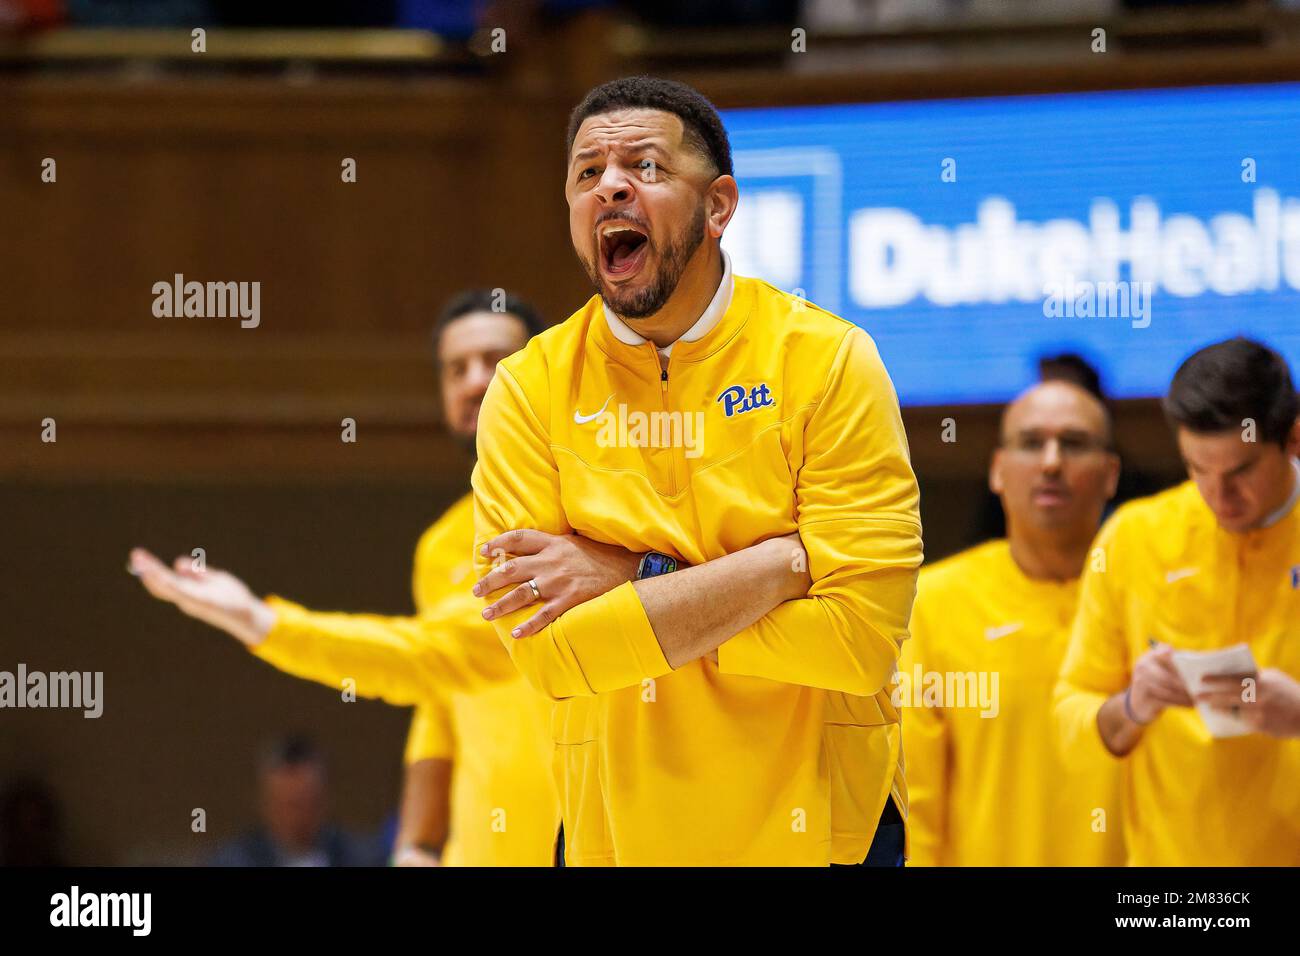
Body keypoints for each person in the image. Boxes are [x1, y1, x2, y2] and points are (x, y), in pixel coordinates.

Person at [469, 76, 923, 866]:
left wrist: (629, 576)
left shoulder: (828, 363)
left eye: (643, 166)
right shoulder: (526, 390)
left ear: (718, 206)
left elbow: (856, 643)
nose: (609, 184)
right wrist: (780, 565)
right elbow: (552, 655)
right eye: (587, 173)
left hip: (824, 838)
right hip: (615, 839)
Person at [130, 290, 560, 866]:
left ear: (540, 375)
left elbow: (442, 654)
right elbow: (440, 697)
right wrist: (417, 844)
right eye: (455, 368)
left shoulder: (581, 514)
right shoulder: (440, 546)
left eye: (494, 361)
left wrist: (264, 622)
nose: (473, 381)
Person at [1056, 336, 1300, 865]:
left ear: (1294, 438)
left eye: (1240, 471)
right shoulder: (1134, 538)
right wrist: (1133, 706)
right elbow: (1069, 719)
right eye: (1197, 469)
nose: (1219, 497)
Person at [902, 355, 1126, 866]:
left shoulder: (1152, 596)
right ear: (998, 471)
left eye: (1073, 444)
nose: (1051, 462)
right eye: (1031, 443)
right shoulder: (935, 605)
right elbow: (915, 801)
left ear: (1110, 474)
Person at [209, 735, 377, 867]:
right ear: (264, 804)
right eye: (286, 806)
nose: (295, 818)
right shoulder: (234, 861)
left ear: (325, 801)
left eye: (305, 804)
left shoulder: (359, 858)